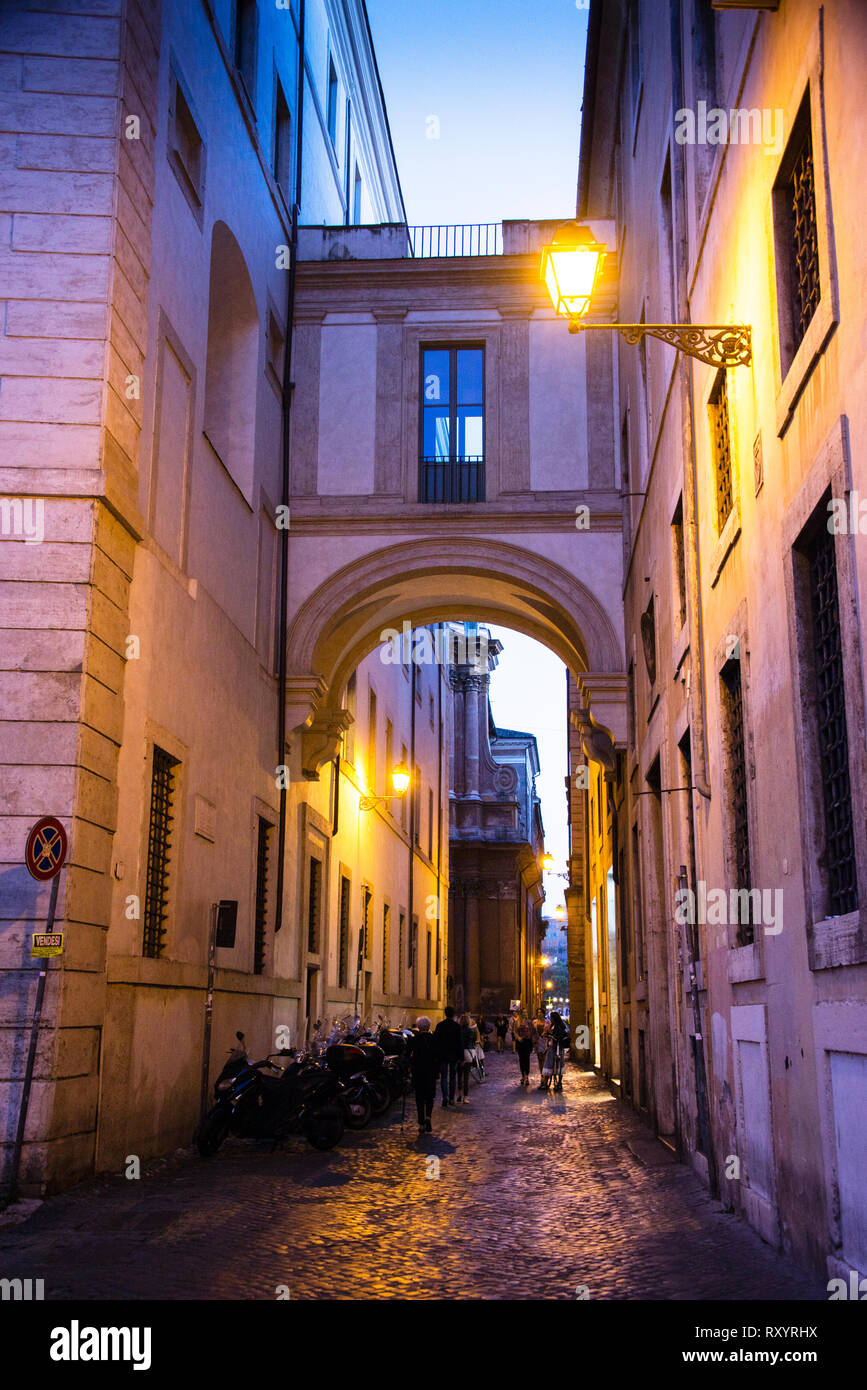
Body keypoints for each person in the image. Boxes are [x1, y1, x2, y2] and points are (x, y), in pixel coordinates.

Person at [407, 1016, 439, 1132]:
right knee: (430, 1096)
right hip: (430, 1071)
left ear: (419, 1027)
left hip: (418, 1072)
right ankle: (428, 1117)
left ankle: (421, 1123)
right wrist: (437, 1071)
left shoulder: (414, 1039)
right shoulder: (433, 1039)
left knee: (419, 1097)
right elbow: (437, 1057)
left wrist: (409, 1068)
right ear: (429, 1026)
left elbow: (409, 1056)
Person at [433, 1005, 463, 1106]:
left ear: (445, 1014)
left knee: (444, 1077)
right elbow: (460, 1043)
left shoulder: (440, 1026)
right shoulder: (457, 1027)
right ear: (453, 1014)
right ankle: (451, 1098)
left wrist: (436, 1055)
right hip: (453, 1055)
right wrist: (461, 1057)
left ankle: (445, 1096)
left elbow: (436, 1042)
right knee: (452, 1077)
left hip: (443, 1055)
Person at [515, 1016, 533, 1086]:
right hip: (520, 1042)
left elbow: (532, 1032)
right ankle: (523, 1075)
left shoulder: (529, 1022)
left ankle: (527, 1076)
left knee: (527, 1059)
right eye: (523, 1012)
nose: (524, 1014)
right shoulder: (517, 1021)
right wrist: (518, 1037)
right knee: (521, 1059)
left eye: (525, 1012)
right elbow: (514, 1031)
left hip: (527, 1042)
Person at [534, 1015, 551, 1087]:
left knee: (545, 1060)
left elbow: (550, 1032)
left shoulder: (547, 1022)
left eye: (540, 1012)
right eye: (538, 1013)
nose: (539, 1014)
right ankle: (542, 1075)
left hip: (545, 1041)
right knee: (540, 1060)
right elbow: (533, 1033)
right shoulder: (534, 1022)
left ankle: (545, 1077)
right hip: (538, 1042)